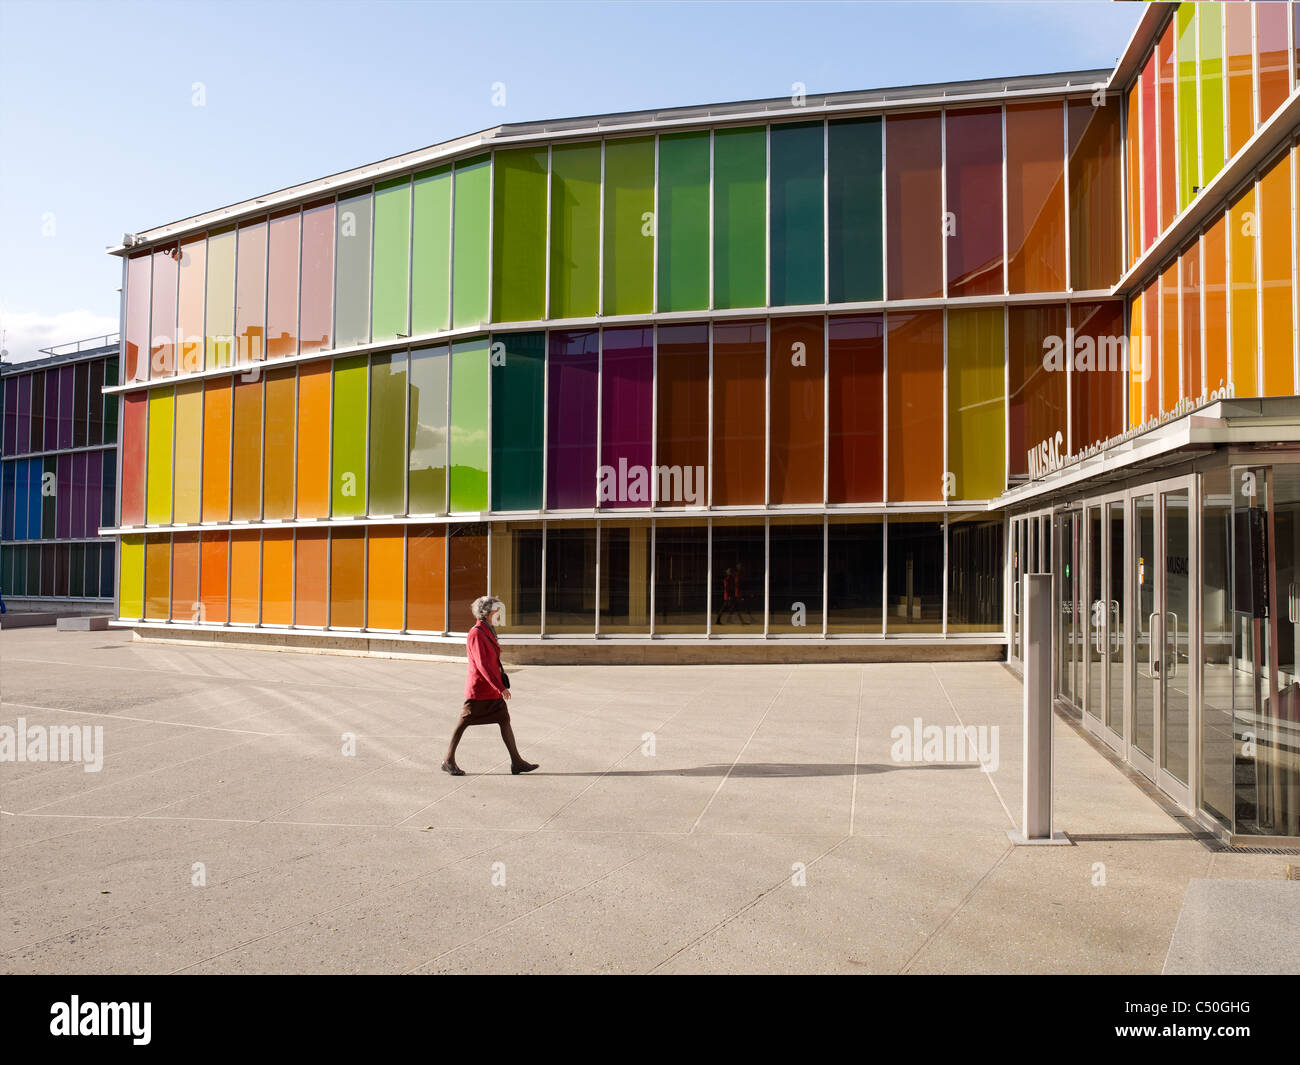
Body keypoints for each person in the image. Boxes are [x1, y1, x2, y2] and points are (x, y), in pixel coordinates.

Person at [442, 595, 538, 777]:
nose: (498, 613)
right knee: (464, 721)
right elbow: (482, 664)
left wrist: (498, 685)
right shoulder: (476, 633)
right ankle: (448, 760)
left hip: (491, 689)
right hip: (480, 689)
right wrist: (500, 687)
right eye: (496, 610)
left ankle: (517, 762)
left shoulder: (488, 629)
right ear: (486, 613)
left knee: (503, 719)